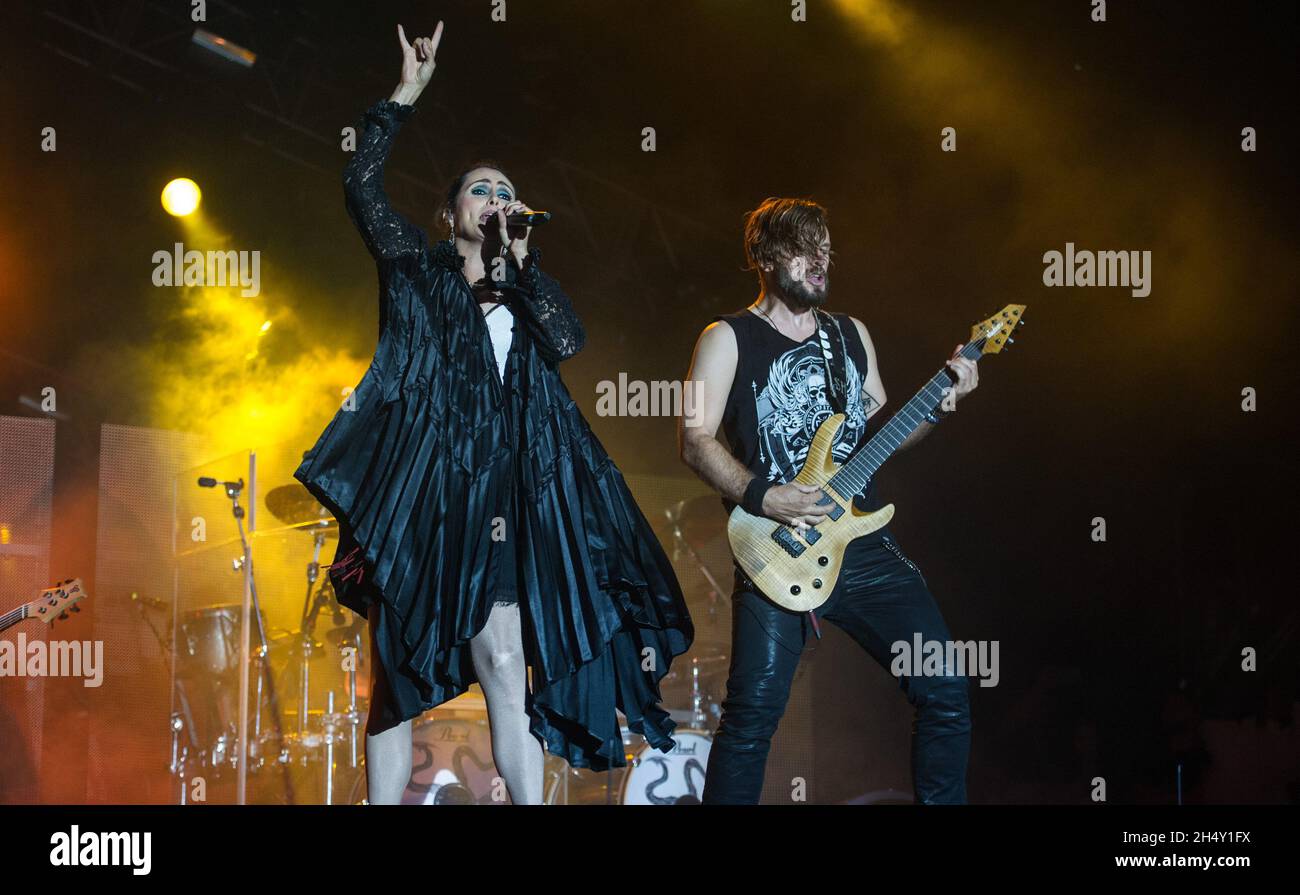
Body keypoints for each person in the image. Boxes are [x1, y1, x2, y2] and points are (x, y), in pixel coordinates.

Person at [295, 20, 692, 805]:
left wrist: (522, 262)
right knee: (397, 677)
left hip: (504, 503)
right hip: (426, 496)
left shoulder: (524, 289)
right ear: (451, 215)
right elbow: (360, 190)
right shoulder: (418, 268)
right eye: (482, 188)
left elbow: (570, 338)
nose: (498, 198)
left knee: (506, 661)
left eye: (509, 191)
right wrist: (404, 95)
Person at [679, 197, 977, 804]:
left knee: (945, 687)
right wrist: (767, 496)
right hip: (775, 546)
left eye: (825, 248)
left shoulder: (849, 335)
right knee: (752, 718)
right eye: (803, 247)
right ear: (764, 256)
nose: (819, 260)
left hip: (860, 542)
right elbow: (694, 439)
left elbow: (884, 433)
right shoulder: (728, 337)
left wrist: (943, 403)